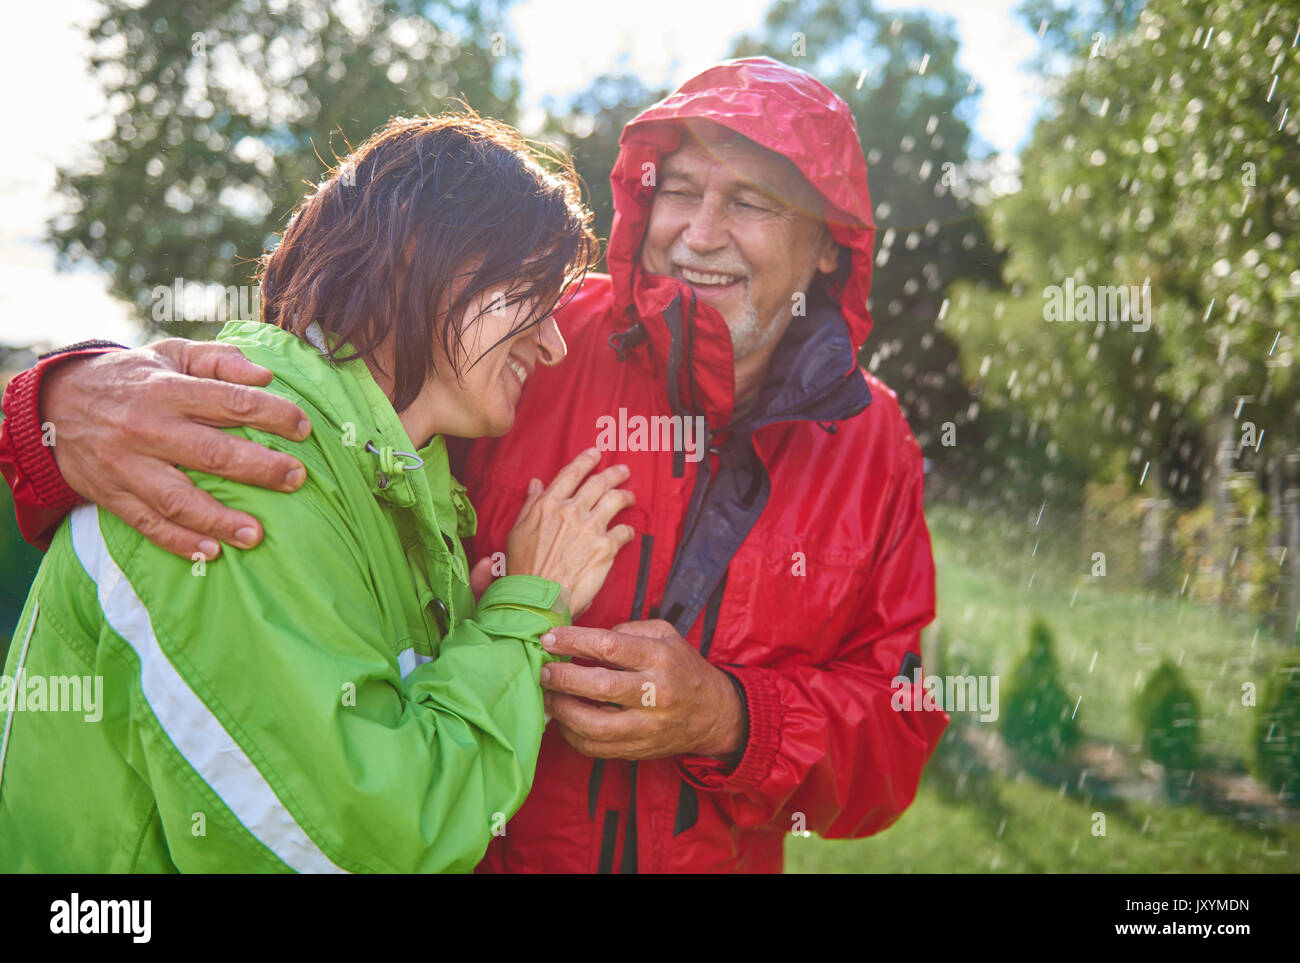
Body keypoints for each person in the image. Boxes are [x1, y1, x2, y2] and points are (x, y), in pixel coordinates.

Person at [0, 58, 949, 873]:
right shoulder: (535, 338)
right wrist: (50, 406)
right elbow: (323, 391)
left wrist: (731, 718)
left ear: (829, 244)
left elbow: (897, 733)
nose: (697, 232)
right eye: (678, 190)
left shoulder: (879, 449)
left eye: (748, 202)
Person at [0, 112, 638, 872]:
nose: (555, 341)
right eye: (532, 289)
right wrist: (525, 610)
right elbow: (366, 843)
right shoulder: (242, 460)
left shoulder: (387, 481)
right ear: (415, 255)